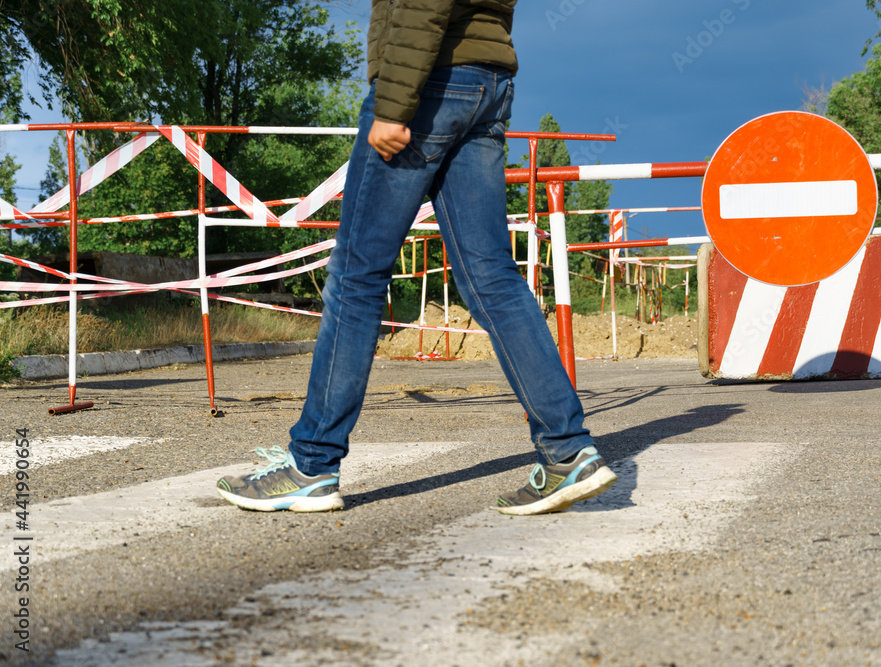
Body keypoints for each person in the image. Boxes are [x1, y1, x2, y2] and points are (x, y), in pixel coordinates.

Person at [216, 0, 617, 516]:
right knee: (492, 277)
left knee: (357, 277)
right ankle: (569, 452)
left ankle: (311, 465)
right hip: (489, 84)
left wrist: (393, 104)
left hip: (427, 86)